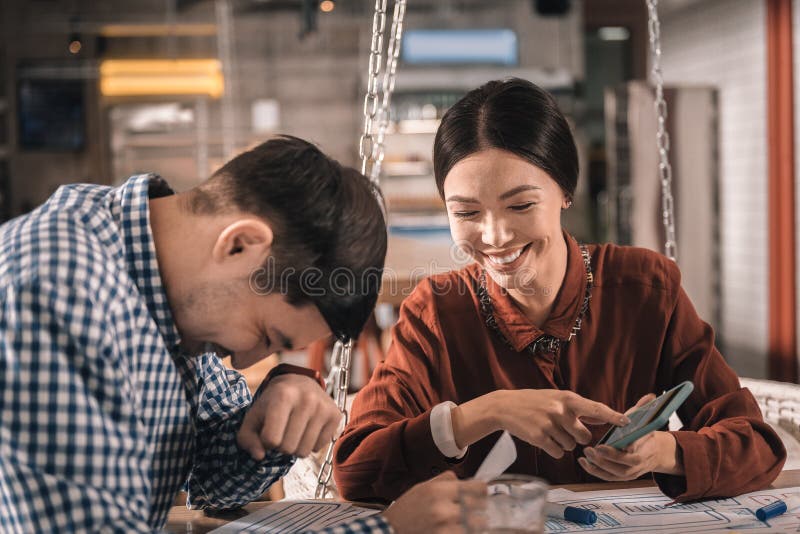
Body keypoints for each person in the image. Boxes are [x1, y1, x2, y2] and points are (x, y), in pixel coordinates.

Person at [0, 134, 484, 533]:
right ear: (241, 245)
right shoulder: (58, 289)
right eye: (265, 333)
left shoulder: (170, 293)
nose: (245, 362)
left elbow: (212, 481)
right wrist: (387, 531)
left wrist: (274, 408)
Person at [333, 79, 787, 504]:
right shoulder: (437, 310)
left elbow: (757, 445)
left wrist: (664, 451)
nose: (494, 236)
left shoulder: (646, 288)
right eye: (467, 212)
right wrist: (485, 413)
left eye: (521, 205)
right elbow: (355, 468)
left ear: (565, 190)